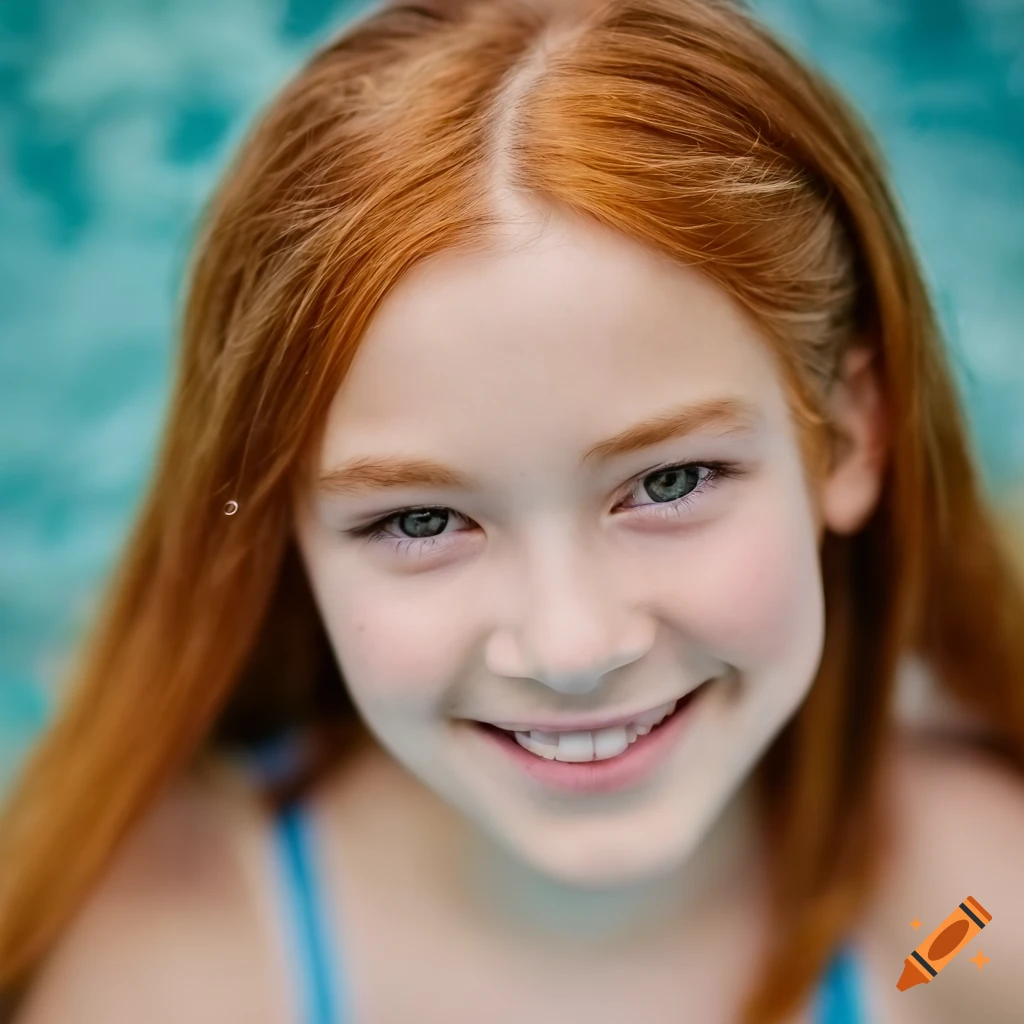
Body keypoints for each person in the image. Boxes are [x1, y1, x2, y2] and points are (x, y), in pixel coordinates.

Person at [1, 0, 1022, 1020]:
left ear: (847, 436)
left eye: (669, 482)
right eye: (419, 520)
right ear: (283, 537)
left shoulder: (964, 921)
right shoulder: (181, 973)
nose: (572, 646)